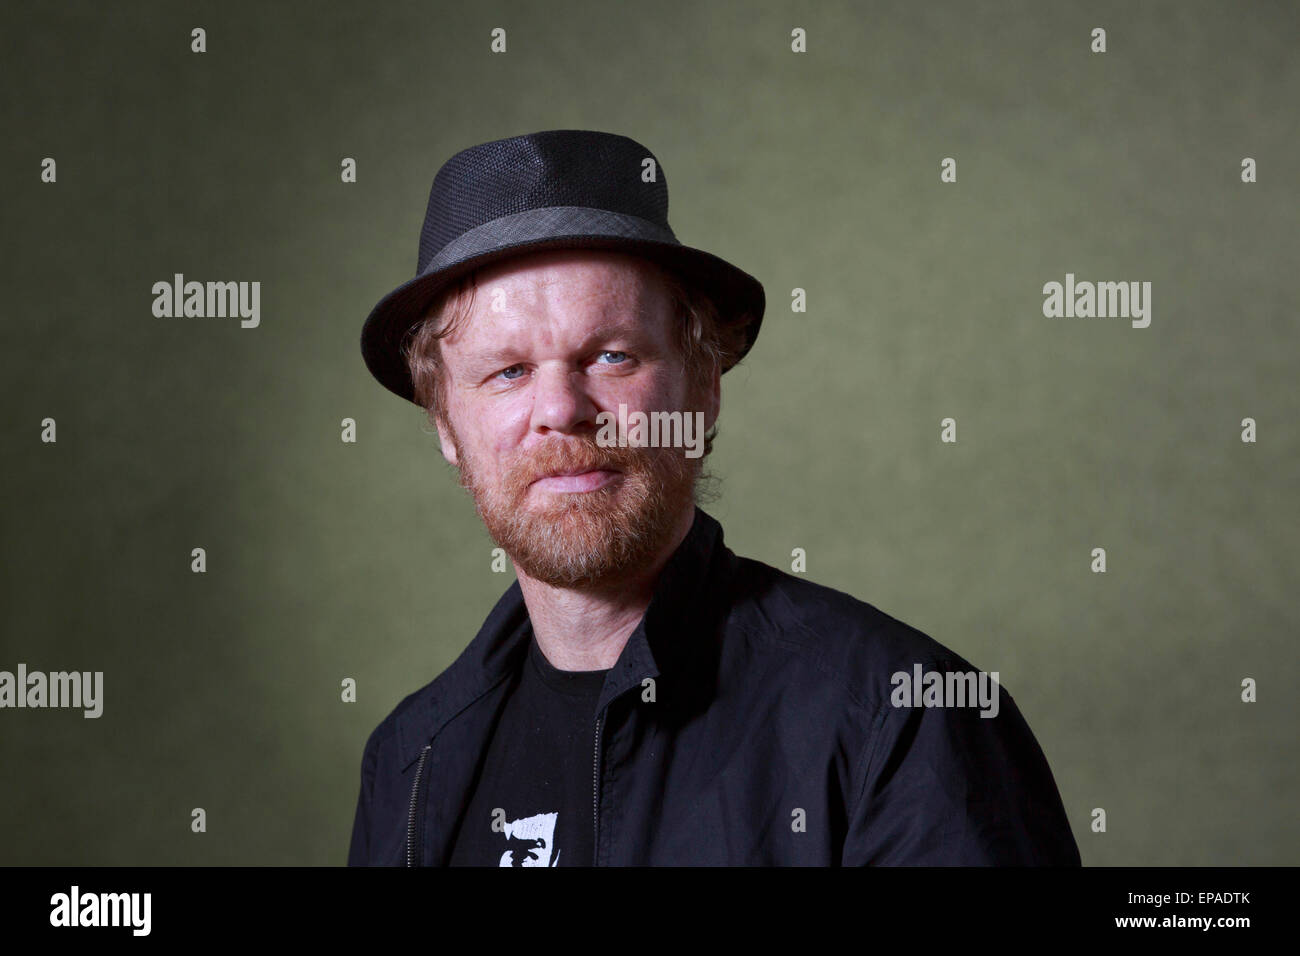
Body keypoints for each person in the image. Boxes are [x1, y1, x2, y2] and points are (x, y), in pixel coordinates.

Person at [349, 129, 1081, 866]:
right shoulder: (411, 761)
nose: (561, 409)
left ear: (702, 389)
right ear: (446, 424)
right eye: (506, 371)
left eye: (611, 356)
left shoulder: (904, 717)